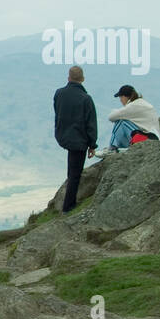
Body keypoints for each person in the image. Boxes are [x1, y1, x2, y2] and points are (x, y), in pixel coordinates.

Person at [53, 65, 97, 213]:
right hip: (79, 140)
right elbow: (91, 123)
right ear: (83, 79)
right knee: (75, 174)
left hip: (63, 136)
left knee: (72, 170)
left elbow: (57, 112)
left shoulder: (59, 93)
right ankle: (68, 207)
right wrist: (92, 144)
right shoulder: (86, 99)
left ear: (69, 78)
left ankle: (67, 203)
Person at [98, 84, 159, 154]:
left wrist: (114, 111)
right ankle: (118, 148)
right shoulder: (141, 103)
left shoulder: (133, 106)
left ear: (125, 97)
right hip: (152, 137)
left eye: (120, 97)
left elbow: (111, 117)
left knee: (121, 122)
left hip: (146, 138)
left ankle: (112, 147)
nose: (120, 100)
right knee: (123, 120)